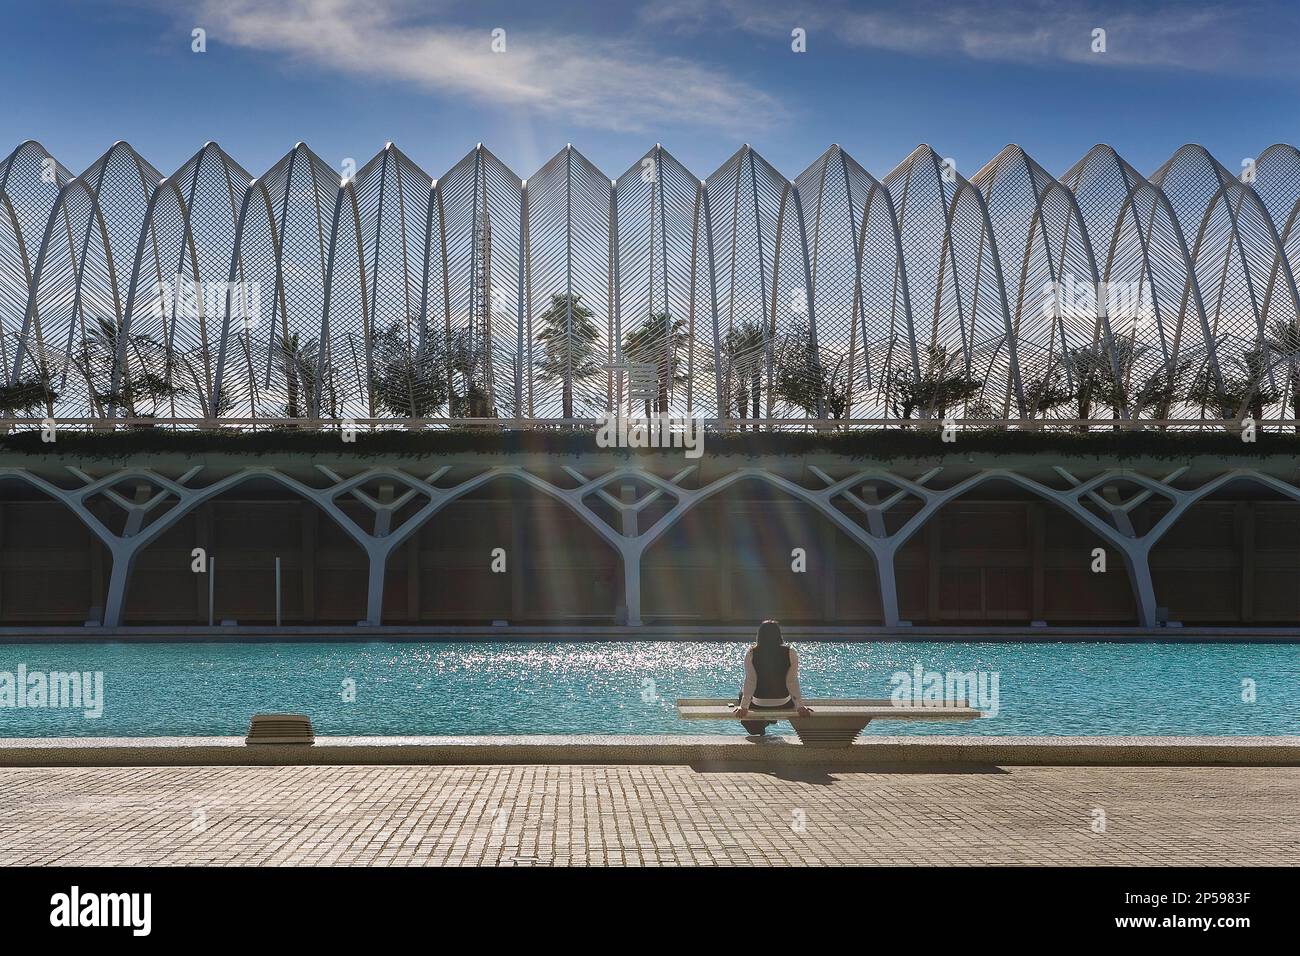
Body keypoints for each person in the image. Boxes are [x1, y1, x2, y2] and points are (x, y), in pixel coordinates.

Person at [731, 620, 811, 735]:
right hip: (783, 703)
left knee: (741, 694)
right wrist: (800, 706)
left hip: (759, 703)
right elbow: (791, 682)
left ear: (759, 635)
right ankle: (768, 720)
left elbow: (750, 681)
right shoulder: (791, 652)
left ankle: (761, 725)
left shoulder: (751, 653)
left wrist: (743, 707)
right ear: (779, 635)